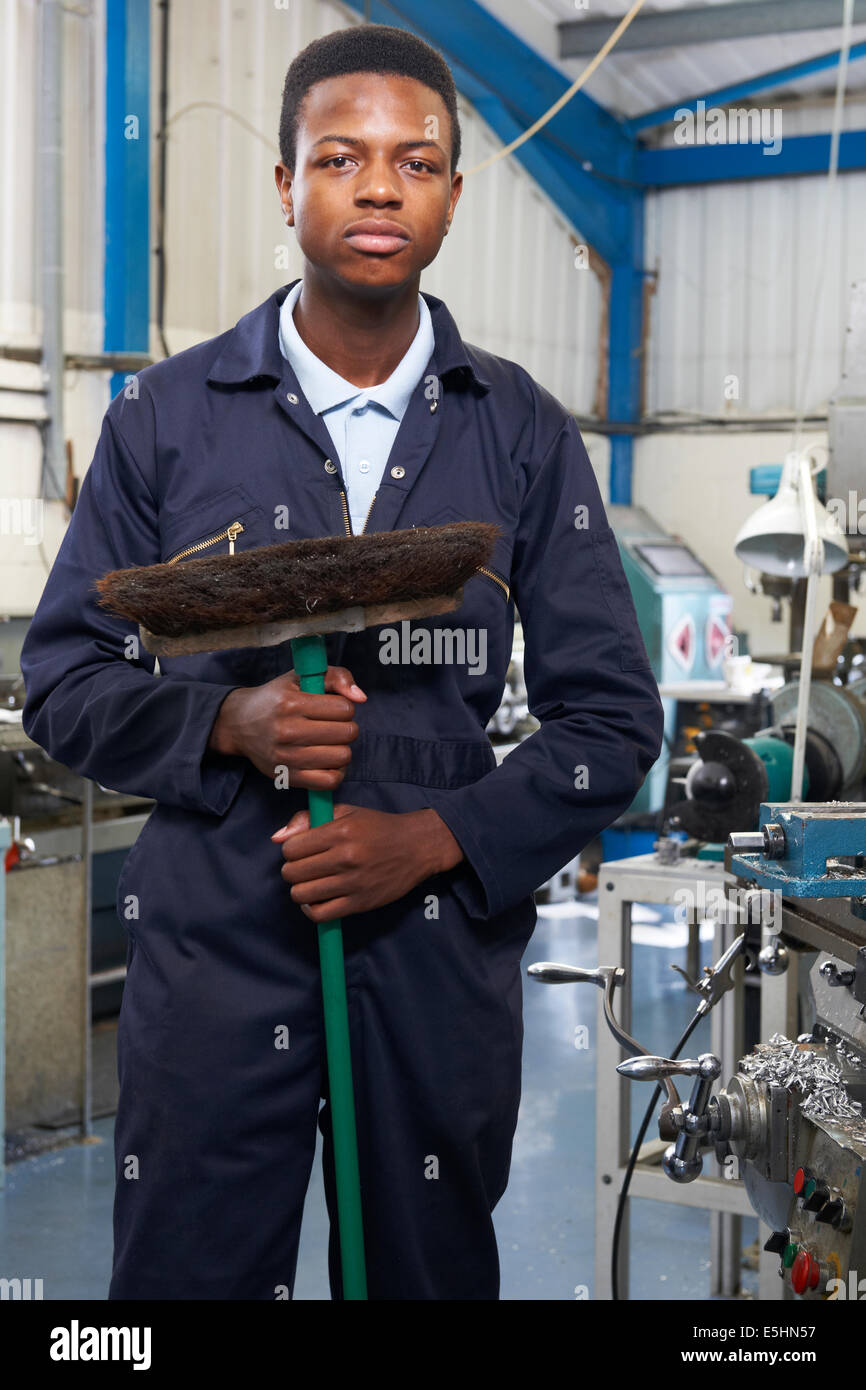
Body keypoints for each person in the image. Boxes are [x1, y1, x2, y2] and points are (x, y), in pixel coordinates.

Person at [20, 23, 664, 1300]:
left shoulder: (524, 431)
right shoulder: (165, 418)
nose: (379, 188)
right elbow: (63, 679)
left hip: (432, 941)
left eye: (415, 161)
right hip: (215, 928)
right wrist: (231, 723)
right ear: (285, 185)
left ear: (452, 196)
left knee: (424, 1272)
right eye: (340, 157)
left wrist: (431, 842)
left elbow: (611, 724)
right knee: (186, 1279)